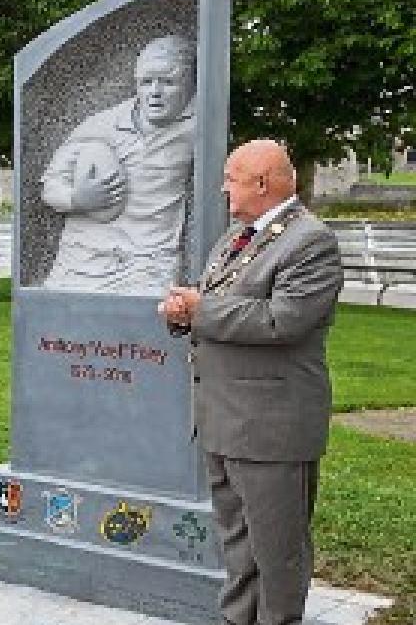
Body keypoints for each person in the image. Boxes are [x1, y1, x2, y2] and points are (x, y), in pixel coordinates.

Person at [158, 139, 344, 625]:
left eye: (230, 178)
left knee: (277, 551)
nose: (222, 188)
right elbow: (214, 303)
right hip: (224, 419)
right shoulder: (237, 236)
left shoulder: (310, 241)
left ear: (262, 183)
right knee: (238, 543)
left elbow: (284, 321)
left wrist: (202, 310)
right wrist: (183, 311)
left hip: (270, 429)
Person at [41, 35, 197, 295]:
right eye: (147, 82)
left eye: (168, 82)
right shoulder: (101, 125)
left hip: (148, 266)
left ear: (189, 85)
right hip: (81, 260)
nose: (155, 92)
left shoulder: (198, 128)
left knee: (146, 329)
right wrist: (78, 200)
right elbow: (50, 185)